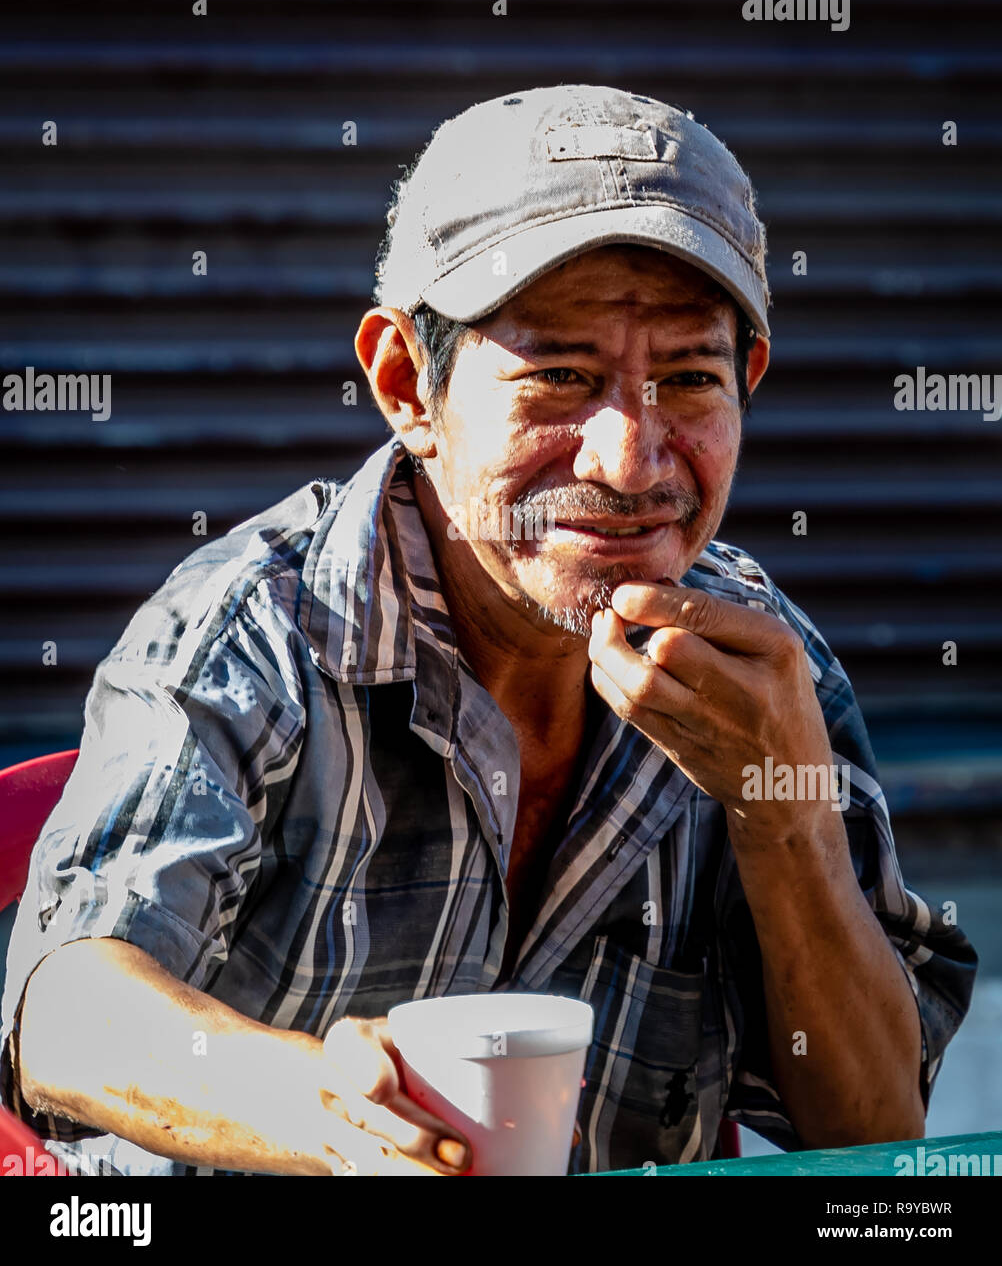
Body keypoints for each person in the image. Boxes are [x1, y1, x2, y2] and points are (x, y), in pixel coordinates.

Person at [1, 85, 978, 1177]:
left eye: (688, 380)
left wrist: (783, 815)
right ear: (405, 384)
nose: (629, 460)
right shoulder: (258, 630)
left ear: (746, 386)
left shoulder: (766, 671)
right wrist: (321, 1107)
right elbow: (69, 1011)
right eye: (561, 375)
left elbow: (875, 1138)